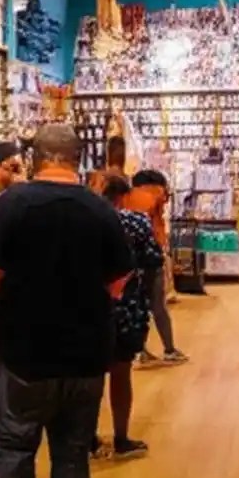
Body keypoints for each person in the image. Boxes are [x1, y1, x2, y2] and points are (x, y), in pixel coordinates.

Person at [0, 124, 134, 478]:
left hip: (24, 351)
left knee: (14, 449)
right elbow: (119, 279)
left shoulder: (11, 204)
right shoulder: (100, 208)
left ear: (36, 158)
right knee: (72, 452)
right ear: (77, 159)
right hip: (85, 353)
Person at [94, 174, 159, 459]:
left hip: (89, 306)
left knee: (91, 374)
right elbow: (153, 260)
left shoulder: (86, 220)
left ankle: (88, 437)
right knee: (121, 372)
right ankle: (121, 437)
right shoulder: (136, 222)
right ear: (124, 196)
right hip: (127, 305)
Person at [126, 169, 187, 365]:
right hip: (152, 255)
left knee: (139, 305)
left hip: (131, 258)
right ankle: (169, 349)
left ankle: (139, 350)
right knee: (158, 304)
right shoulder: (156, 197)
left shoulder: (128, 197)